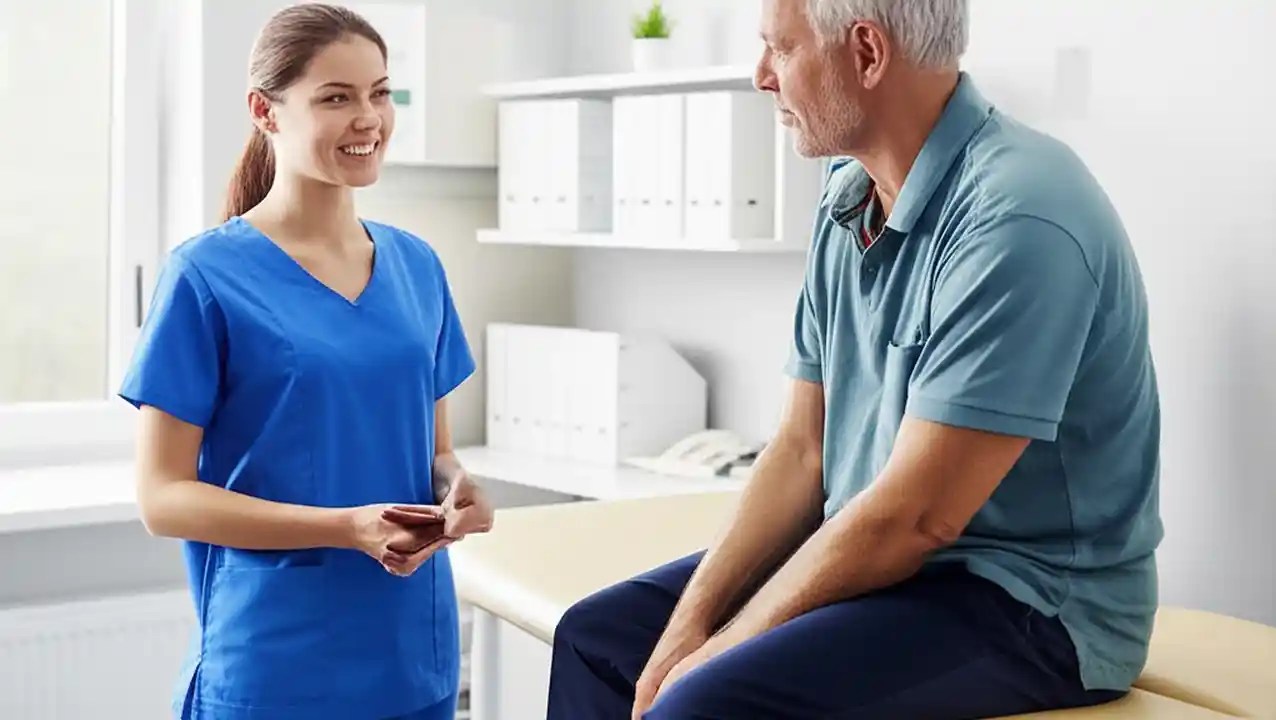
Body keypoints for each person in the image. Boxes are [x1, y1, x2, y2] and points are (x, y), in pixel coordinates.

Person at [546, 0, 1163, 718]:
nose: (761, 77)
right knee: (598, 639)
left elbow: (916, 518)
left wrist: (719, 651)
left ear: (866, 53)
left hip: (1026, 604)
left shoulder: (1018, 214)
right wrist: (690, 621)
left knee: (702, 703)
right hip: (884, 560)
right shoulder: (848, 200)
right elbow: (802, 452)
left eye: (780, 49)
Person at [119, 5, 492, 719]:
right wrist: (342, 527)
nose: (369, 118)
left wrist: (458, 488)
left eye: (380, 93)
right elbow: (162, 499)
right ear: (266, 111)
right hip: (278, 668)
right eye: (336, 97)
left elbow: (435, 450)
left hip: (413, 657)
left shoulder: (417, 265)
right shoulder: (206, 277)